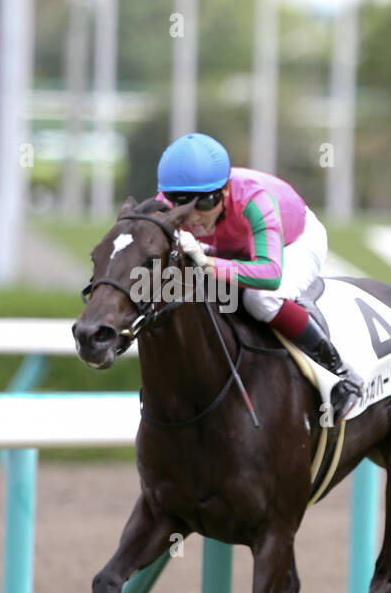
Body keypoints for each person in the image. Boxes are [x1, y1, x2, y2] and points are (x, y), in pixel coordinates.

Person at [155, 132, 363, 421]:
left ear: (225, 191)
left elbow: (269, 274)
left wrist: (206, 262)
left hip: (293, 243)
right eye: (181, 204)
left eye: (203, 204)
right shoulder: (163, 205)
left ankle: (341, 373)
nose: (192, 218)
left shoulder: (255, 199)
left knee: (261, 298)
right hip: (228, 245)